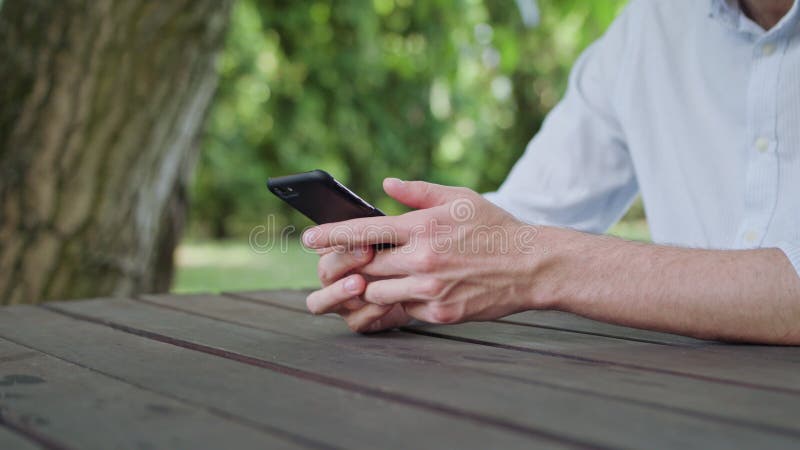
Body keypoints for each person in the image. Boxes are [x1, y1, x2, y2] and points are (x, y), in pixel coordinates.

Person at [301, 0, 800, 344]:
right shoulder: (650, 26)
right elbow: (530, 210)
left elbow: (527, 249)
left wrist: (538, 264)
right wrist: (416, 267)